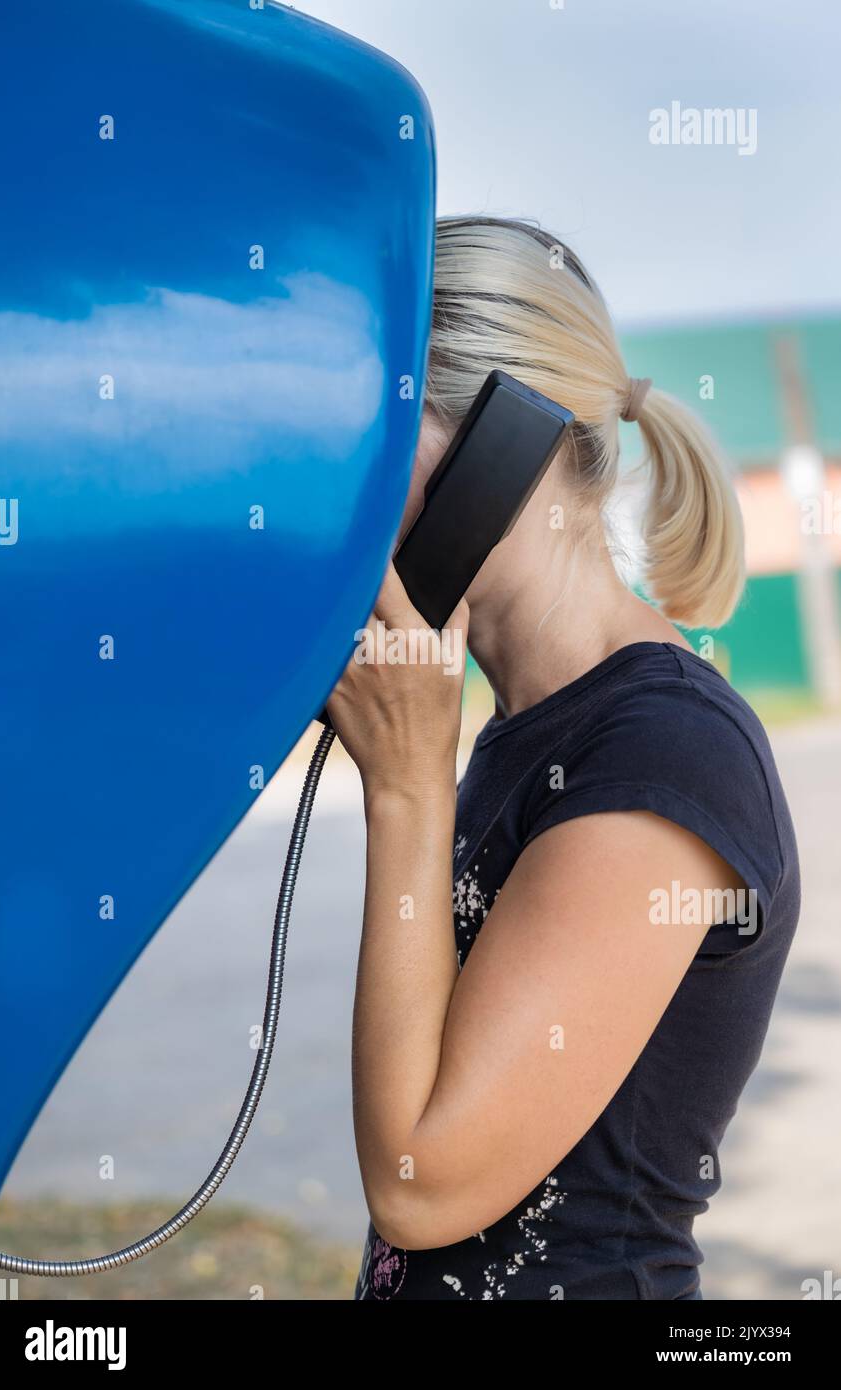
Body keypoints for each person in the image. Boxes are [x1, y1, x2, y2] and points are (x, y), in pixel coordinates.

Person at [326, 216, 800, 1301]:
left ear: (510, 443)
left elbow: (420, 1181)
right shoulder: (528, 727)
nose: (350, 482)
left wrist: (404, 786)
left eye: (381, 430)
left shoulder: (667, 752)